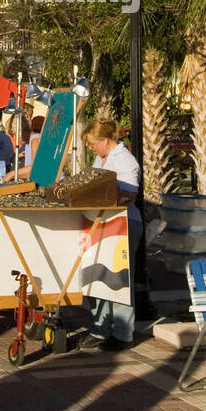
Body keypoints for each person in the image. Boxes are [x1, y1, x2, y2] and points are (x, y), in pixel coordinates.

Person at [78, 119, 142, 352]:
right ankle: (100, 326)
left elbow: (130, 192)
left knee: (120, 277)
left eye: (94, 143)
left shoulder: (125, 160)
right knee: (97, 273)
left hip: (123, 223)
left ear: (105, 141)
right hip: (101, 223)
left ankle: (123, 332)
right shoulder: (100, 158)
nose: (92, 147)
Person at [2, 114, 41, 182]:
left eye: (13, 133)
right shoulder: (31, 140)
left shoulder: (35, 139)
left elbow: (36, 167)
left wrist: (12, 174)